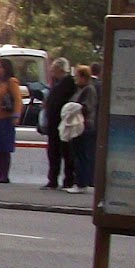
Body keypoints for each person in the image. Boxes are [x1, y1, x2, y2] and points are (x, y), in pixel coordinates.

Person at [0, 55, 23, 183]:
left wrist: (16, 115)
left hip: (6, 118)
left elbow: (18, 99)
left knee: (5, 147)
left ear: (6, 68)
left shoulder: (11, 82)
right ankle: (0, 173)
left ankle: (5, 174)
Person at [42, 57, 78, 190]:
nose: (51, 71)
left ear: (59, 69)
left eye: (53, 69)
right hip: (54, 124)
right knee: (53, 152)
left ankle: (68, 180)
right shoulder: (56, 83)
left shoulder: (68, 84)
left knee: (66, 152)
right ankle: (53, 179)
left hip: (63, 123)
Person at [67, 63, 99, 193]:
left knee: (82, 155)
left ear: (83, 77)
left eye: (77, 77)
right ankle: (79, 181)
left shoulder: (89, 89)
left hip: (84, 126)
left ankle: (82, 183)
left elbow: (87, 107)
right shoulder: (80, 90)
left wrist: (73, 108)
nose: (75, 79)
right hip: (77, 125)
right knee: (78, 154)